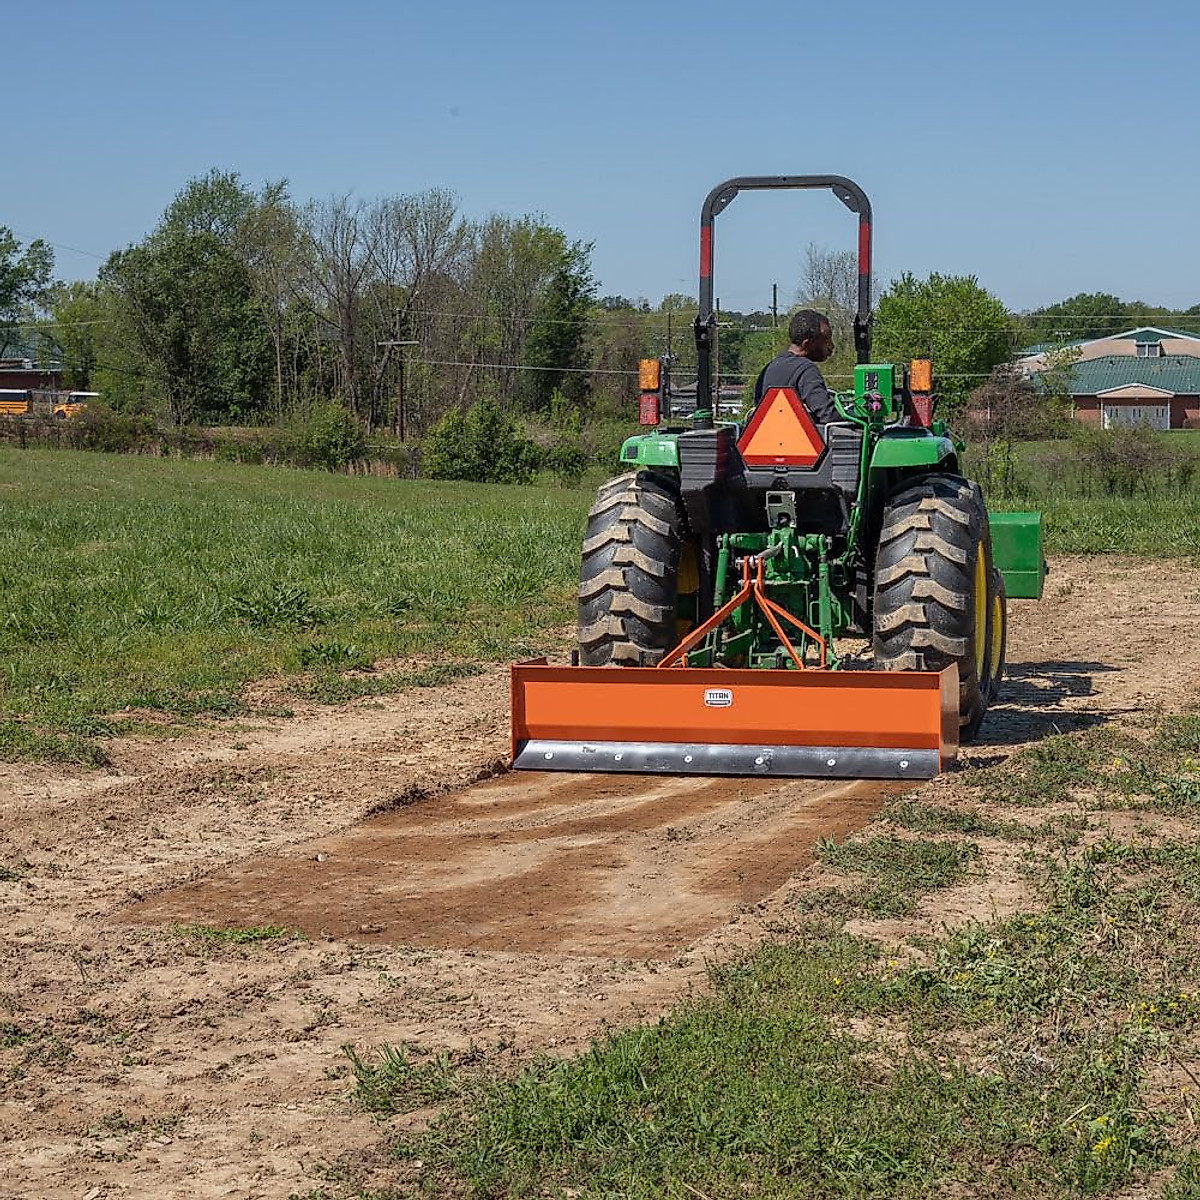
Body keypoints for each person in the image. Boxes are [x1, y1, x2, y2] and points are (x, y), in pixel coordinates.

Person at [752, 309, 840, 425]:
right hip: (793, 436)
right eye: (826, 341)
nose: (831, 347)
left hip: (765, 433)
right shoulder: (806, 369)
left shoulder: (769, 367)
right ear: (806, 344)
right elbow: (827, 414)